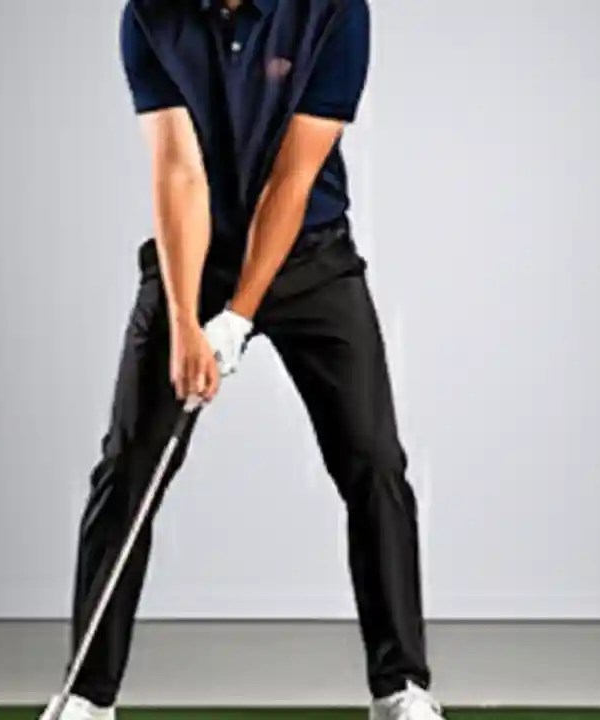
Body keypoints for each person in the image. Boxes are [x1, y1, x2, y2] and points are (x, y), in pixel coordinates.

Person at [40, 1, 443, 719]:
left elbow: (292, 178)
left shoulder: (334, 10)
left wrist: (241, 314)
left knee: (375, 461)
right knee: (129, 465)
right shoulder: (149, 15)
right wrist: (190, 321)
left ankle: (400, 689)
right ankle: (86, 698)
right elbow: (178, 173)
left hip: (312, 255)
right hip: (195, 259)